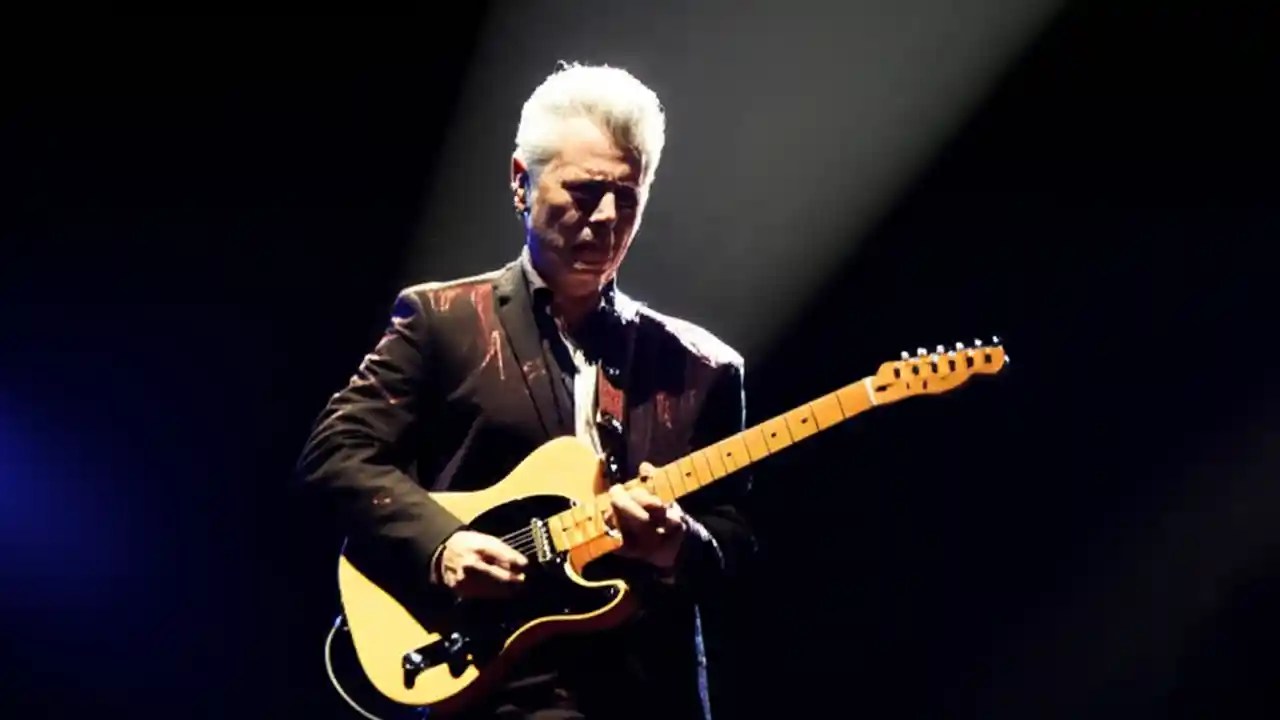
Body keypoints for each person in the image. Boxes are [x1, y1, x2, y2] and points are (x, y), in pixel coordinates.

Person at [297, 61, 755, 720]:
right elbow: (334, 457)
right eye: (583, 190)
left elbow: (738, 546)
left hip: (648, 698)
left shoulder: (703, 366)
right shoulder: (444, 322)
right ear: (522, 183)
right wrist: (442, 547)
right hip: (489, 688)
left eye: (627, 196)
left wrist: (677, 541)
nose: (605, 218)